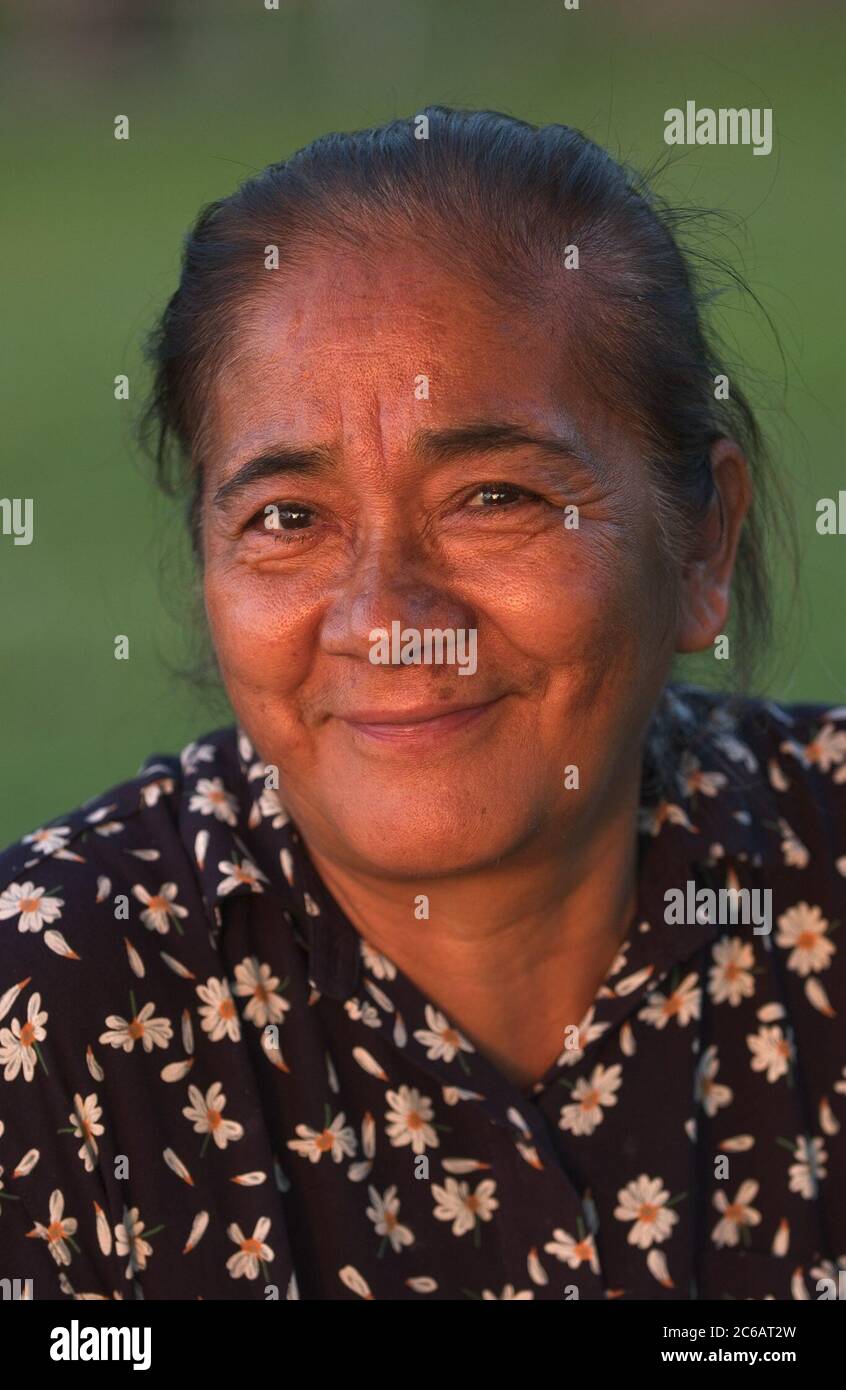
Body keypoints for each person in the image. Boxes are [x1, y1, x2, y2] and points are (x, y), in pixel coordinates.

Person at [1, 107, 843, 1301]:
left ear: (703, 539)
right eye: (288, 519)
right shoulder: (45, 1010)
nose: (386, 614)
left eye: (493, 496)